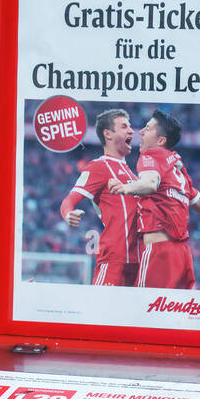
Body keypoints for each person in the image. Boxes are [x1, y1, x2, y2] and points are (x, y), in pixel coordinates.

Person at [108, 109, 200, 290]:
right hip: (183, 257)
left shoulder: (151, 155)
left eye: (147, 129)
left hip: (159, 253)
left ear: (161, 140)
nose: (141, 132)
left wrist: (125, 188)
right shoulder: (179, 173)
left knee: (141, 313)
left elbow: (151, 183)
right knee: (178, 315)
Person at [60, 108, 140, 287]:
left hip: (138, 261)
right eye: (124, 126)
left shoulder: (132, 175)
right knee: (99, 314)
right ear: (108, 134)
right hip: (115, 261)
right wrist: (68, 213)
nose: (131, 131)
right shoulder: (98, 167)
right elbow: (69, 200)